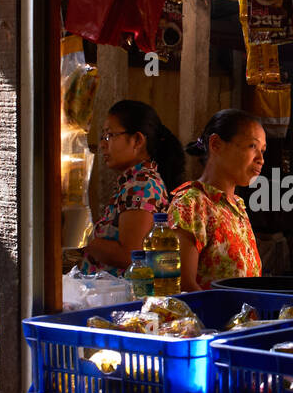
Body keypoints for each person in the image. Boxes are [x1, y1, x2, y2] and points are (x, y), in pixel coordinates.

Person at [167, 109, 265, 291]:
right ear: (216, 144)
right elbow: (184, 286)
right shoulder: (191, 203)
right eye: (252, 146)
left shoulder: (237, 205)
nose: (260, 159)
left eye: (262, 151)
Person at [84, 100, 184, 273]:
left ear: (137, 140)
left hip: (124, 296)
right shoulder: (132, 182)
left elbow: (130, 255)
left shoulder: (141, 185)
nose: (102, 144)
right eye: (102, 137)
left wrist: (81, 240)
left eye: (109, 135)